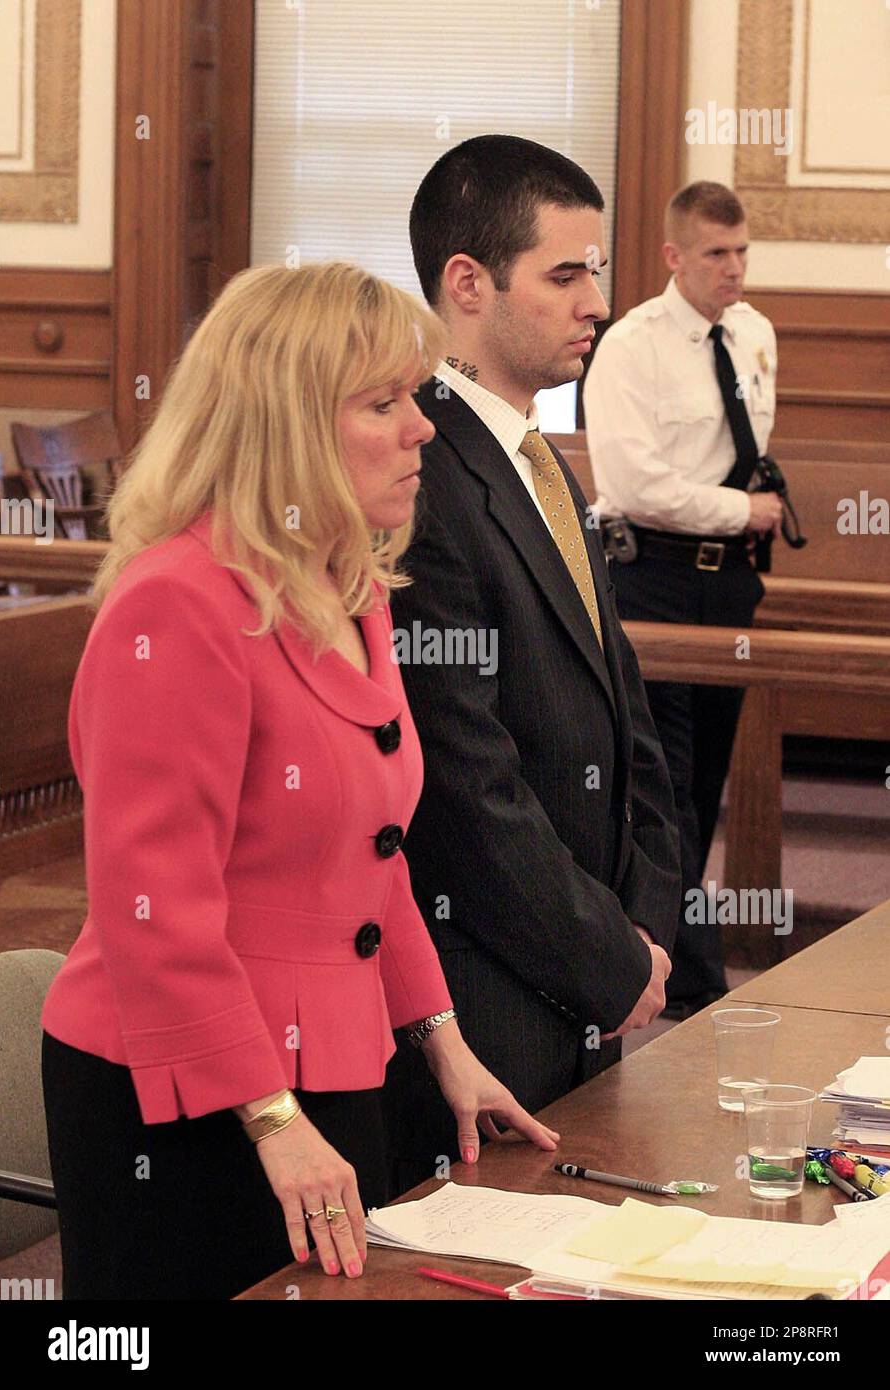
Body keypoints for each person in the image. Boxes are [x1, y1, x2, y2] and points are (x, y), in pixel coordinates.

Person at [39, 262, 559, 1301]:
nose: (423, 428)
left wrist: (443, 1044)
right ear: (285, 426)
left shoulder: (348, 582)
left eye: (416, 396)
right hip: (184, 1091)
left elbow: (374, 855)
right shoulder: (176, 606)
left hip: (336, 1063)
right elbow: (155, 919)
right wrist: (272, 1119)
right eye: (383, 403)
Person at [382, 135, 681, 1196]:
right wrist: (607, 957)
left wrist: (648, 923)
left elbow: (624, 715)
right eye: (565, 273)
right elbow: (466, 782)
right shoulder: (419, 468)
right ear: (468, 283)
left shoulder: (535, 451)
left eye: (595, 270)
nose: (595, 300)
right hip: (489, 983)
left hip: (582, 972)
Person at [583, 181, 783, 1019]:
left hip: (730, 578)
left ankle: (674, 956)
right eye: (715, 254)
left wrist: (743, 520)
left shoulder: (754, 333)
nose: (733, 269)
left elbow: (740, 450)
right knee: (662, 783)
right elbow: (635, 483)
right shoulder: (632, 344)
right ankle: (685, 971)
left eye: (741, 252)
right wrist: (743, 509)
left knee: (707, 775)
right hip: (652, 573)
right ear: (675, 256)